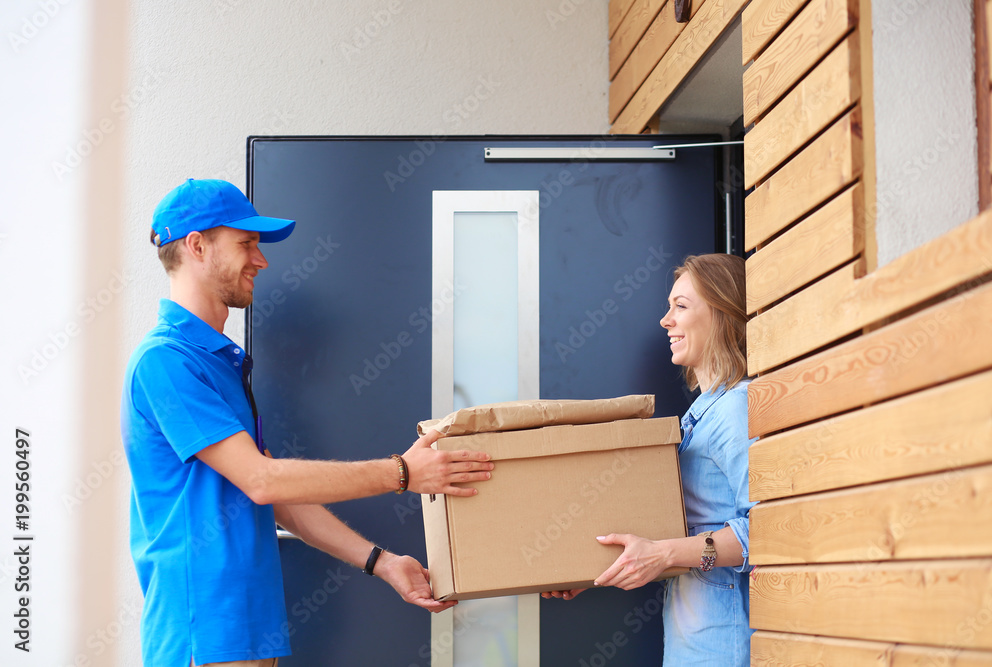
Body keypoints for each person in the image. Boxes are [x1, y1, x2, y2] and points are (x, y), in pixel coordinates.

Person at [121, 178, 495, 667]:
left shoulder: (217, 362)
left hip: (249, 635)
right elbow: (260, 480)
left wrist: (382, 563)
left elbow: (278, 495)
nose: (262, 260)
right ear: (197, 245)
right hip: (204, 636)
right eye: (247, 243)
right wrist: (402, 473)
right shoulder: (167, 362)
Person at [543, 253, 756, 665]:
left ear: (722, 313)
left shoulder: (736, 409)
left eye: (681, 306)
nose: (665, 320)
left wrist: (663, 555)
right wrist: (593, 566)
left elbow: (765, 531)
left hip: (725, 644)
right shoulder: (703, 413)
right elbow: (673, 533)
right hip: (692, 636)